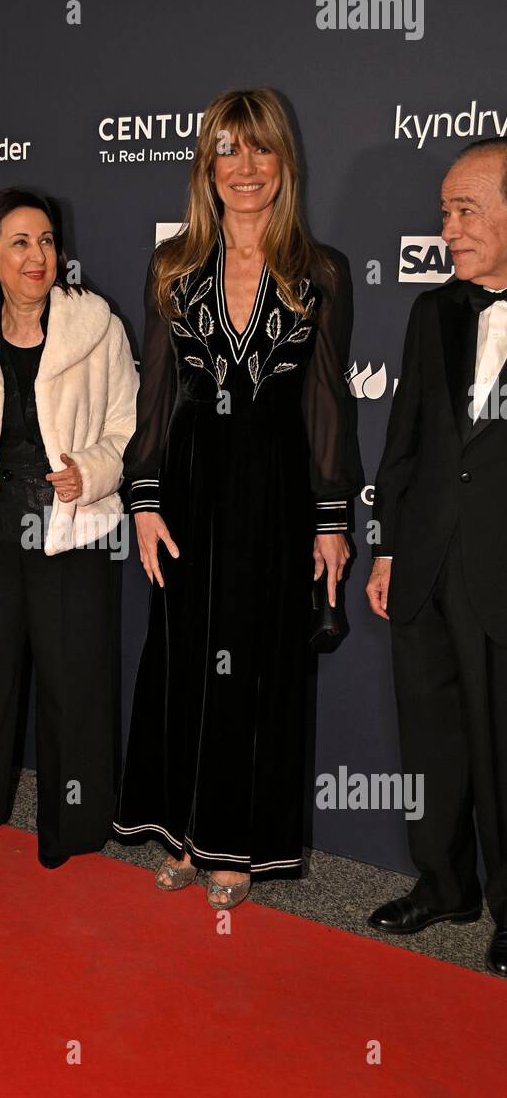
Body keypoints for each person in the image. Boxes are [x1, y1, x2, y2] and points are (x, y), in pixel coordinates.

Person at [114, 88, 363, 909]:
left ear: (283, 162)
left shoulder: (318, 271)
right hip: (189, 489)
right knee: (187, 657)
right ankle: (184, 834)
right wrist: (143, 501)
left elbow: (326, 402)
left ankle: (239, 848)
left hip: (278, 494)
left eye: (261, 150)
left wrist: (332, 519)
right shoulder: (173, 268)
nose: (245, 167)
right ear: (206, 167)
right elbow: (157, 395)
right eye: (228, 150)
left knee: (258, 669)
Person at [0, 188, 138, 871]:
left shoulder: (98, 327)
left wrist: (92, 470)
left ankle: (70, 830)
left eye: (45, 241)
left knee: (75, 684)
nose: (36, 256)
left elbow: (127, 430)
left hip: (73, 531)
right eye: (18, 243)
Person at [366, 138, 507, 978]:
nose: (446, 228)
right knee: (433, 741)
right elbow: (407, 442)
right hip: (424, 561)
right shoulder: (434, 312)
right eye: (445, 211)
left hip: (501, 568)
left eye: (465, 211)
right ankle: (445, 884)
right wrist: (385, 546)